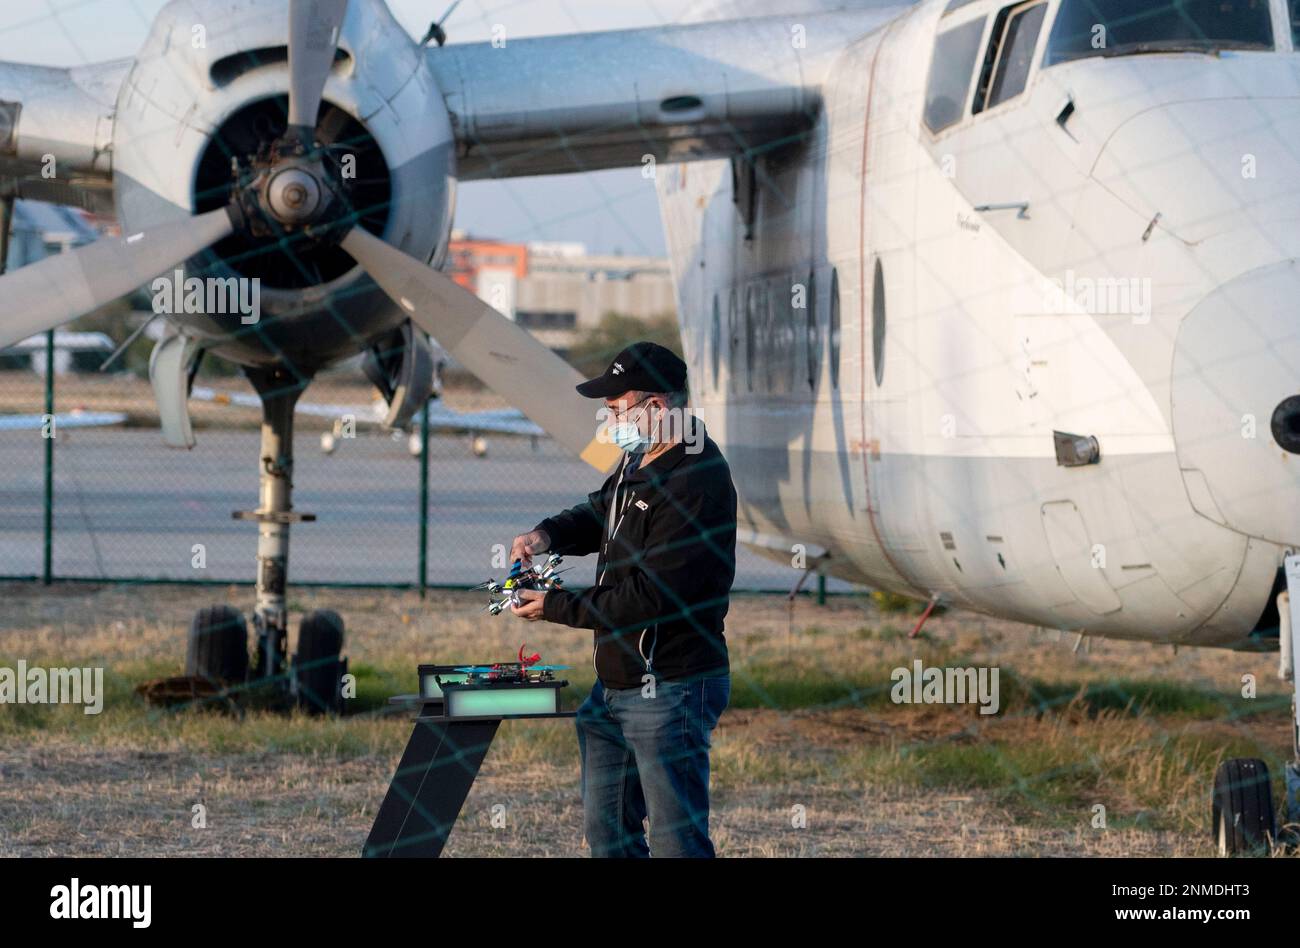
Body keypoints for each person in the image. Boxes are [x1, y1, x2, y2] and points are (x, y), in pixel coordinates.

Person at [508, 341, 737, 857]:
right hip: (615, 688)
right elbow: (603, 510)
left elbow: (649, 596)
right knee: (608, 833)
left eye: (616, 410)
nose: (610, 421)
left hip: (670, 686)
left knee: (678, 842)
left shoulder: (695, 481)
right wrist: (546, 535)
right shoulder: (642, 457)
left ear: (655, 407)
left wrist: (555, 605)